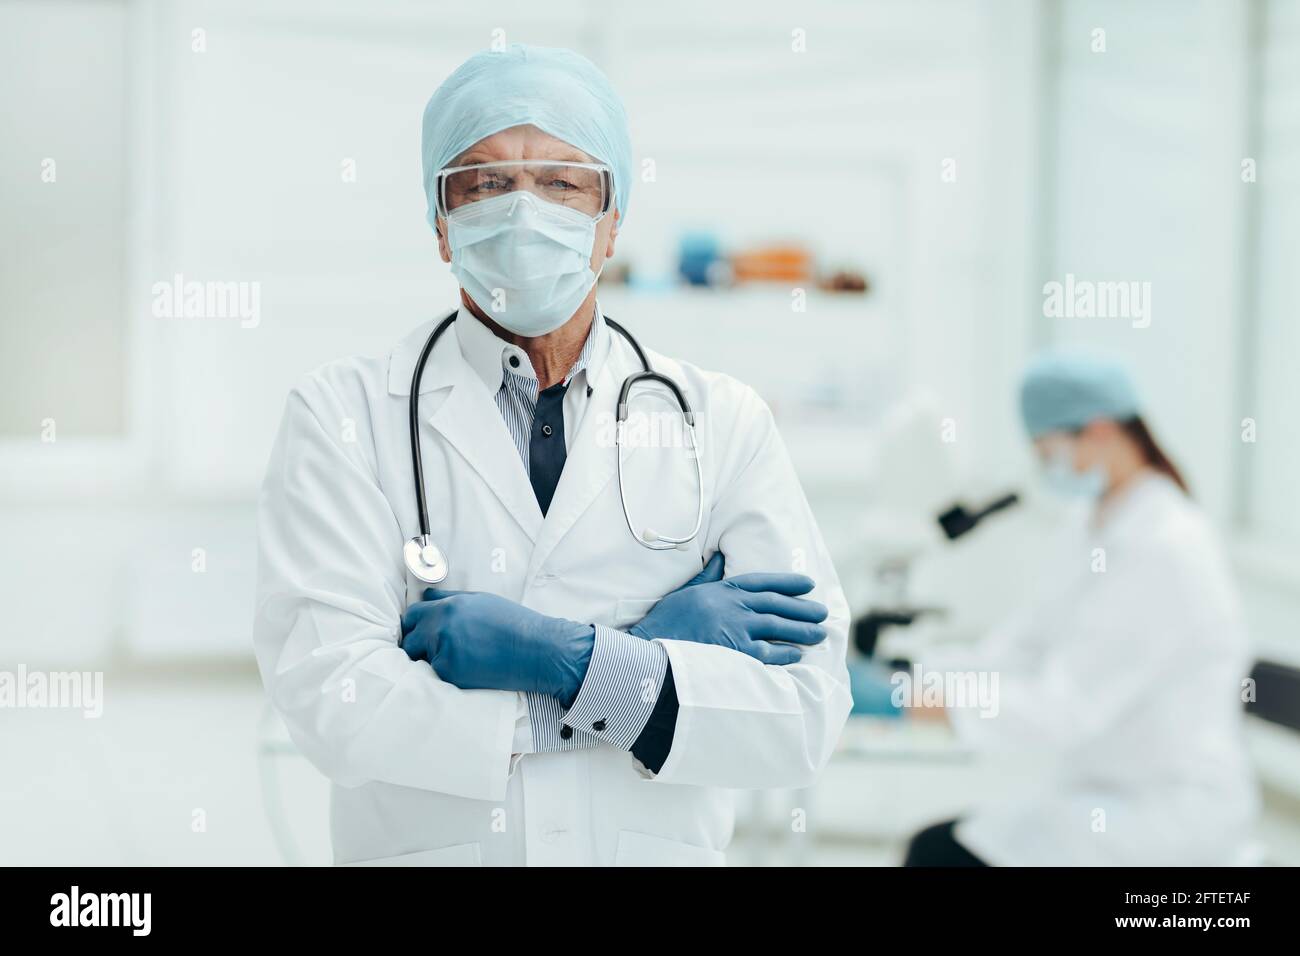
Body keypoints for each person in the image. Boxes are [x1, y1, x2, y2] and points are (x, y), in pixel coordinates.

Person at [252, 44, 851, 867]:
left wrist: (561, 656)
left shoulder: (723, 422)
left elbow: (801, 717)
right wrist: (633, 659)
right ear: (440, 223)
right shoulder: (341, 414)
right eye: (486, 182)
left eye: (563, 182)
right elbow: (339, 705)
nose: (525, 211)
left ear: (612, 222)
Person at [903, 349, 1258, 866]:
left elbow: (1066, 707)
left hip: (1168, 814)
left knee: (939, 855)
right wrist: (915, 676)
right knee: (942, 847)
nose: (1048, 469)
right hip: (1099, 791)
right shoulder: (1092, 524)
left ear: (1098, 432)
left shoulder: (1165, 545)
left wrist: (935, 705)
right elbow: (1024, 647)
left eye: (1050, 454)